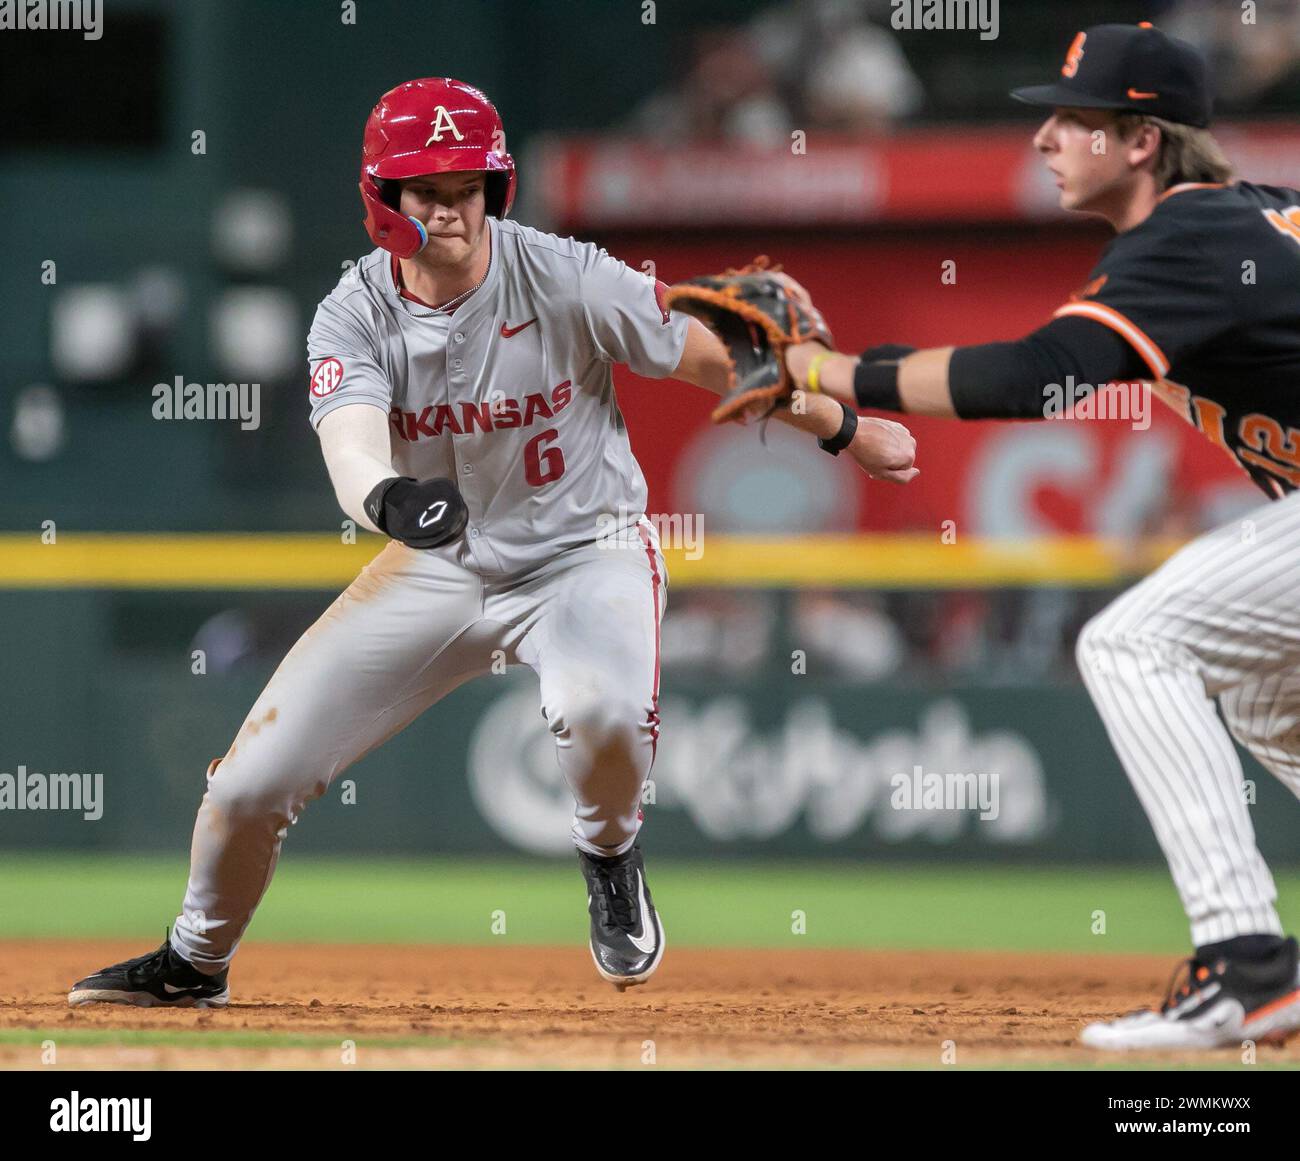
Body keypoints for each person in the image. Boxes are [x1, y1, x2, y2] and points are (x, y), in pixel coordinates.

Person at [67, 77, 917, 1007]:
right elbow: (349, 440)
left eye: (467, 185)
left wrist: (840, 426)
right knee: (246, 784)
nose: (451, 207)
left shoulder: (560, 270)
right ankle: (195, 959)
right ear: (384, 200)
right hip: (435, 561)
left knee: (598, 715)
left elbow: (709, 354)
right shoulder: (352, 312)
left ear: (494, 191)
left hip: (583, 551)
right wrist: (387, 498)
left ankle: (609, 854)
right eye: (428, 188)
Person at [783, 24, 1300, 1051]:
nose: (1045, 139)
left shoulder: (1192, 236)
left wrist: (820, 370)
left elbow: (1028, 378)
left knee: (1130, 641)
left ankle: (1247, 967)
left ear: (1140, 140)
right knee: (1256, 685)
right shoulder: (1237, 226)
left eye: (1071, 119)